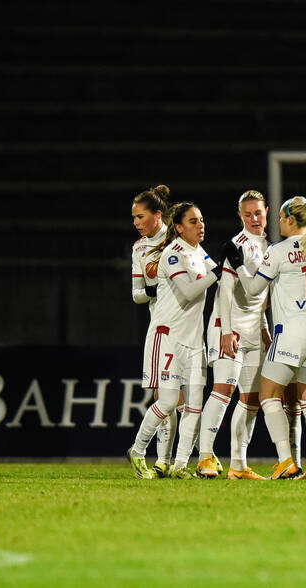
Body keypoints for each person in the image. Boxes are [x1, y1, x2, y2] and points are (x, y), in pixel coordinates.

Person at [232, 196, 306, 480]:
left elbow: (254, 289)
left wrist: (239, 267)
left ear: (291, 220)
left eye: (280, 218)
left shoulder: (279, 251)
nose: (278, 223)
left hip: (292, 334)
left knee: (267, 396)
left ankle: (286, 460)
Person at [127, 202, 220, 479]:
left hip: (194, 340)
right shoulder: (172, 254)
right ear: (178, 227)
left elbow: (223, 275)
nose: (200, 225)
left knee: (193, 404)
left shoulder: (198, 251)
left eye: (201, 220)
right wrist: (219, 271)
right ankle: (138, 450)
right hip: (167, 335)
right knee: (167, 401)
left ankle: (180, 465)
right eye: (193, 221)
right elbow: (191, 291)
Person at [196, 190, 272, 480]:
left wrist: (264, 330)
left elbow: (260, 298)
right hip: (229, 329)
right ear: (240, 215)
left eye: (258, 213)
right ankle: (205, 457)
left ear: (266, 212)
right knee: (223, 390)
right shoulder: (236, 246)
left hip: (254, 331)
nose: (254, 218)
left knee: (251, 398)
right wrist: (226, 332)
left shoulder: (270, 247)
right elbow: (225, 291)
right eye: (248, 214)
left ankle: (238, 465)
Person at [130, 185, 179, 477]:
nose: (136, 223)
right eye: (134, 217)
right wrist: (156, 287)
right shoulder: (139, 248)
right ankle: (160, 459)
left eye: (140, 216)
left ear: (157, 215)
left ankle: (178, 461)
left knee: (188, 399)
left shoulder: (177, 239)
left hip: (188, 325)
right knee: (167, 398)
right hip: (163, 326)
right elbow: (137, 294)